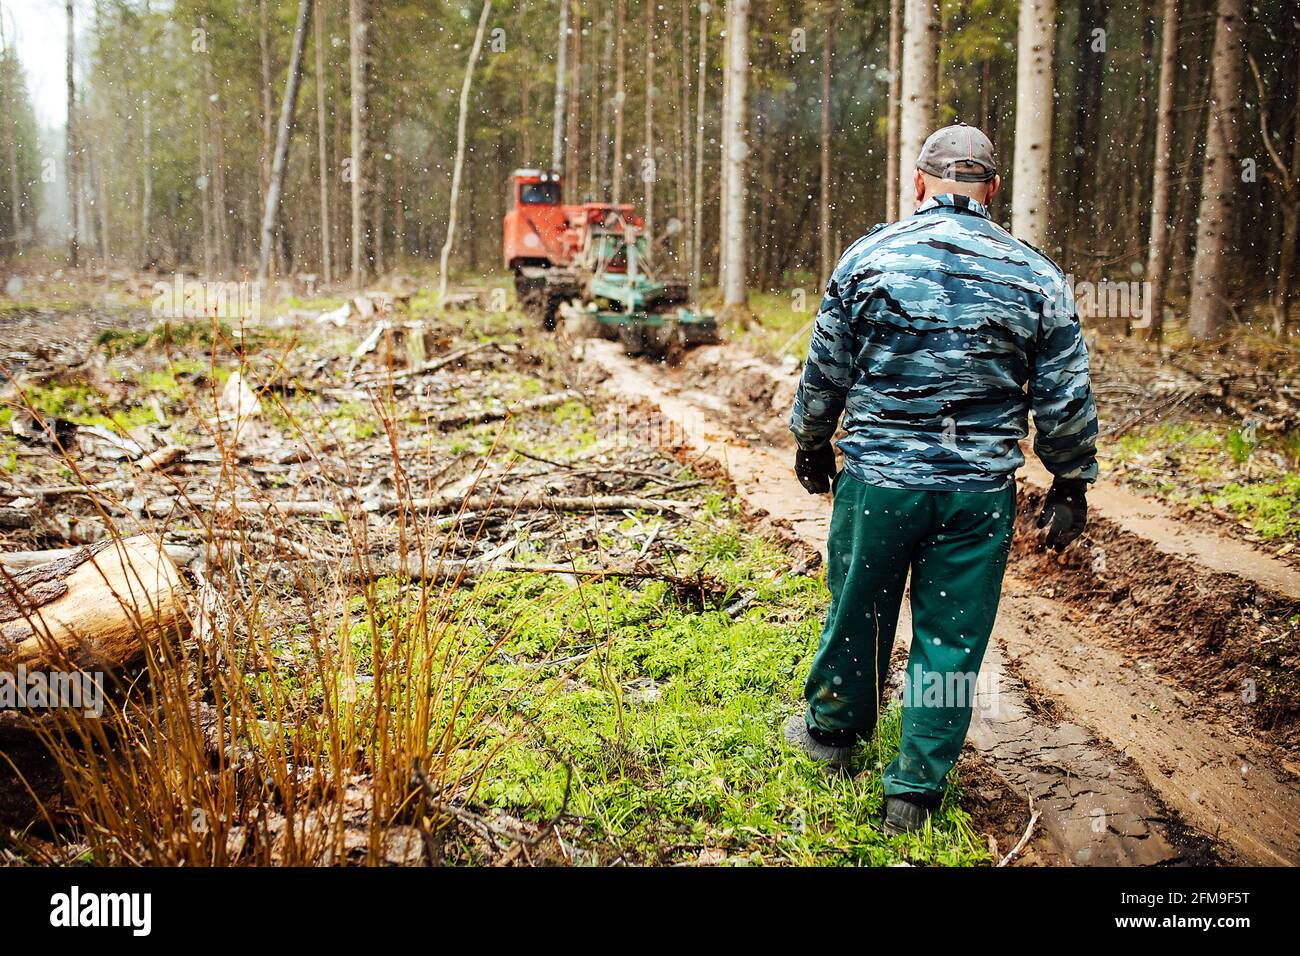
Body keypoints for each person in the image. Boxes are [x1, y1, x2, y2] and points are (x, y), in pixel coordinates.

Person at [784, 123, 1098, 836]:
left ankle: (834, 737)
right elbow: (1065, 392)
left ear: (918, 182)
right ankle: (915, 790)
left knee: (859, 606)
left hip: (880, 482)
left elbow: (826, 365)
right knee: (952, 637)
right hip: (977, 493)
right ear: (991, 189)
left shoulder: (868, 258)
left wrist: (811, 440)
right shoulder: (1035, 275)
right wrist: (1072, 479)